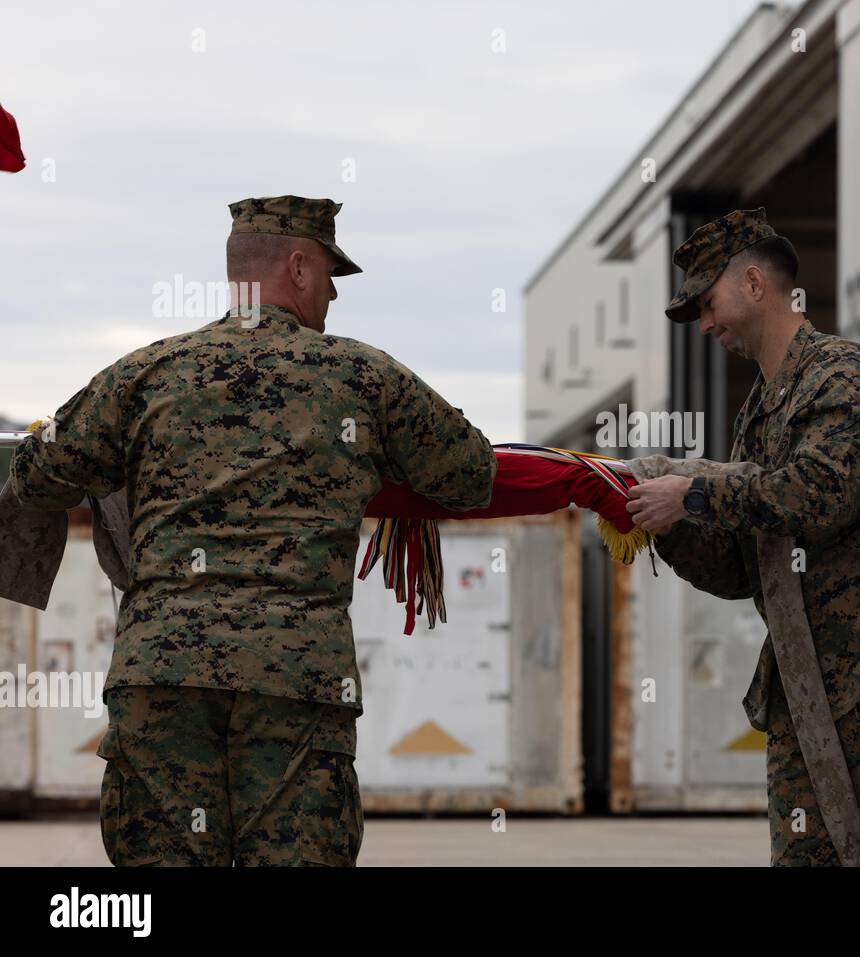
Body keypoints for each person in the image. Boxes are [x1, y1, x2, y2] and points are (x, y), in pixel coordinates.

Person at [9, 195, 496, 865]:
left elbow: (36, 471)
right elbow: (472, 472)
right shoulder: (363, 377)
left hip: (163, 677)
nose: (331, 294)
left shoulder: (143, 374)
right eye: (329, 274)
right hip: (296, 682)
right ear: (297, 267)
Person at [626, 207, 860, 866]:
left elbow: (820, 495)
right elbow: (745, 568)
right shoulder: (759, 416)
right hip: (807, 696)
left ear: (755, 285)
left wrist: (697, 490)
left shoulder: (843, 376)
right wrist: (663, 523)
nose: (706, 324)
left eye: (709, 304)